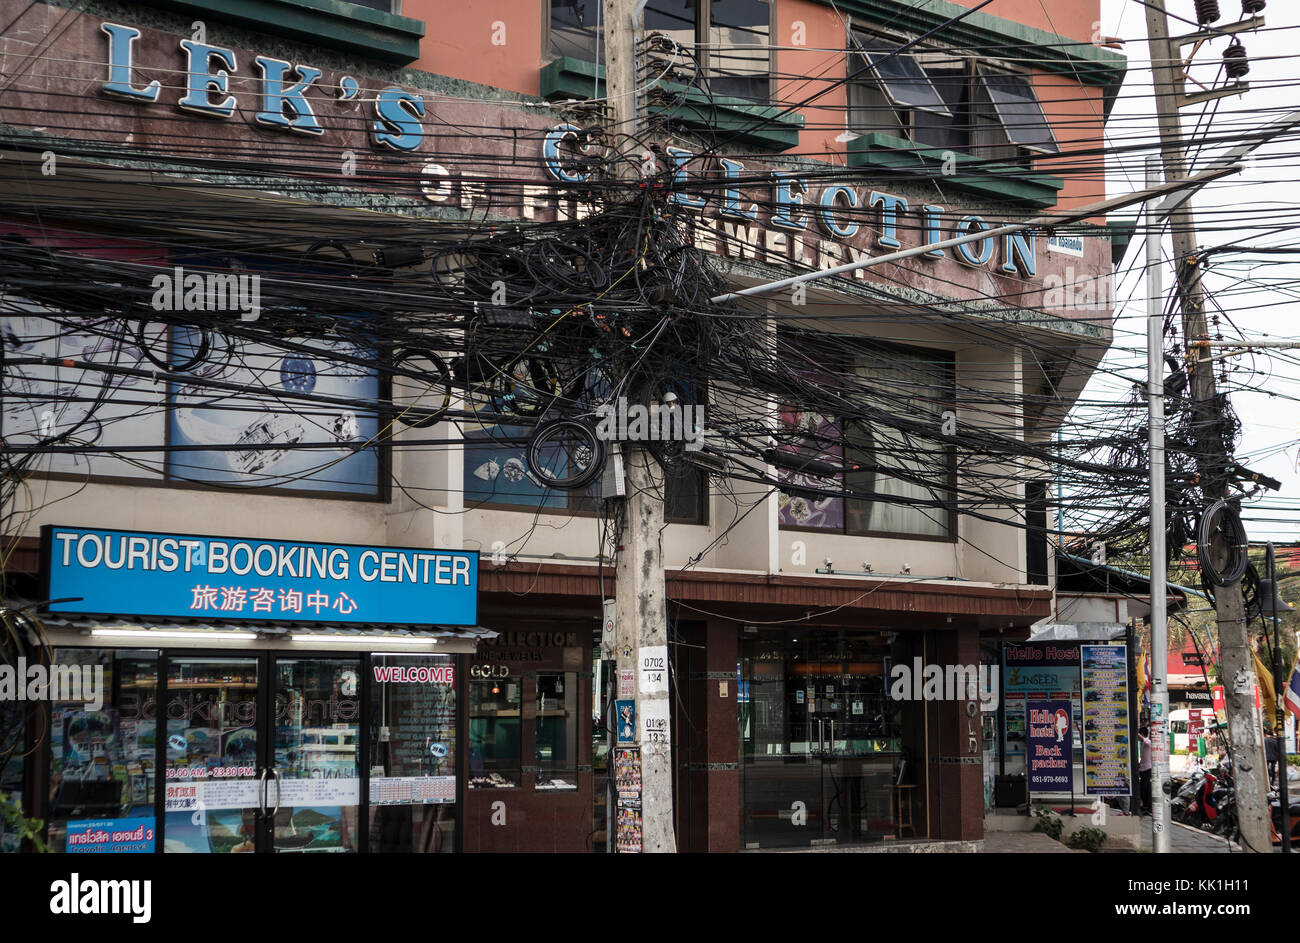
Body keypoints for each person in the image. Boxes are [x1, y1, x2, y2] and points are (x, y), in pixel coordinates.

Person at [1138, 725, 1153, 814]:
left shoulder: (1147, 742)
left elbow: (1144, 740)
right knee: (1144, 789)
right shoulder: (1142, 743)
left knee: (1144, 789)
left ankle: (1147, 806)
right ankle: (1146, 806)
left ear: (1142, 734)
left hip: (1147, 769)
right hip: (1142, 768)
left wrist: (1135, 732)